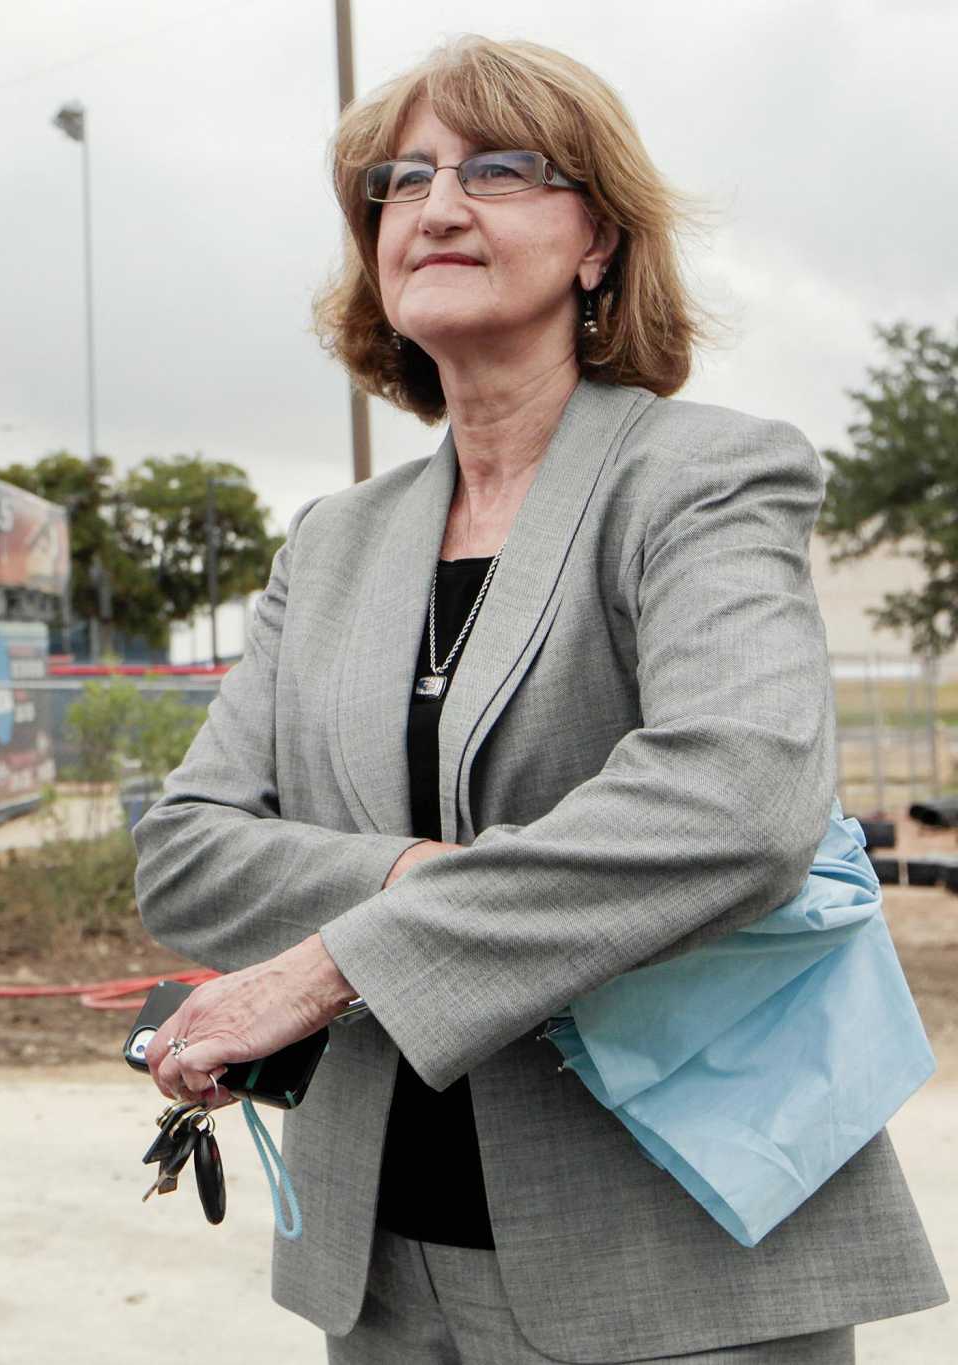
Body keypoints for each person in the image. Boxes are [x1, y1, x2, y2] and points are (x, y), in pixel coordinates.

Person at [133, 37, 946, 1364]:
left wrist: (335, 961)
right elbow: (186, 850)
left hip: (675, 1255)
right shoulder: (334, 539)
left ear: (598, 243)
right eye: (403, 184)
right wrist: (415, 878)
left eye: (500, 169)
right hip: (386, 1271)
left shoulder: (704, 477)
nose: (440, 206)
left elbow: (737, 800)